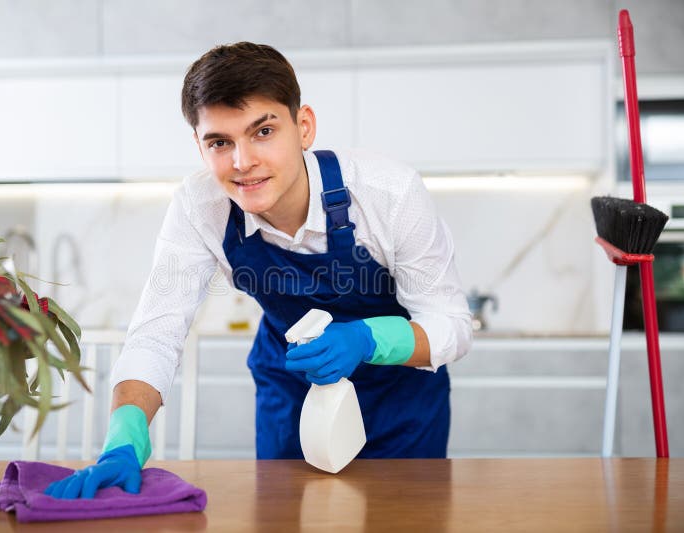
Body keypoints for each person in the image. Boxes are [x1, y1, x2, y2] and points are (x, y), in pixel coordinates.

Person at [45, 42, 472, 499]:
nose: (242, 162)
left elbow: (452, 324)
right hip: (292, 392)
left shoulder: (388, 193)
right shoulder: (199, 208)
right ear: (199, 146)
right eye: (220, 142)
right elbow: (156, 334)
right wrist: (123, 440)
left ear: (303, 127)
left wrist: (368, 338)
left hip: (401, 401)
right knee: (285, 516)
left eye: (263, 132)